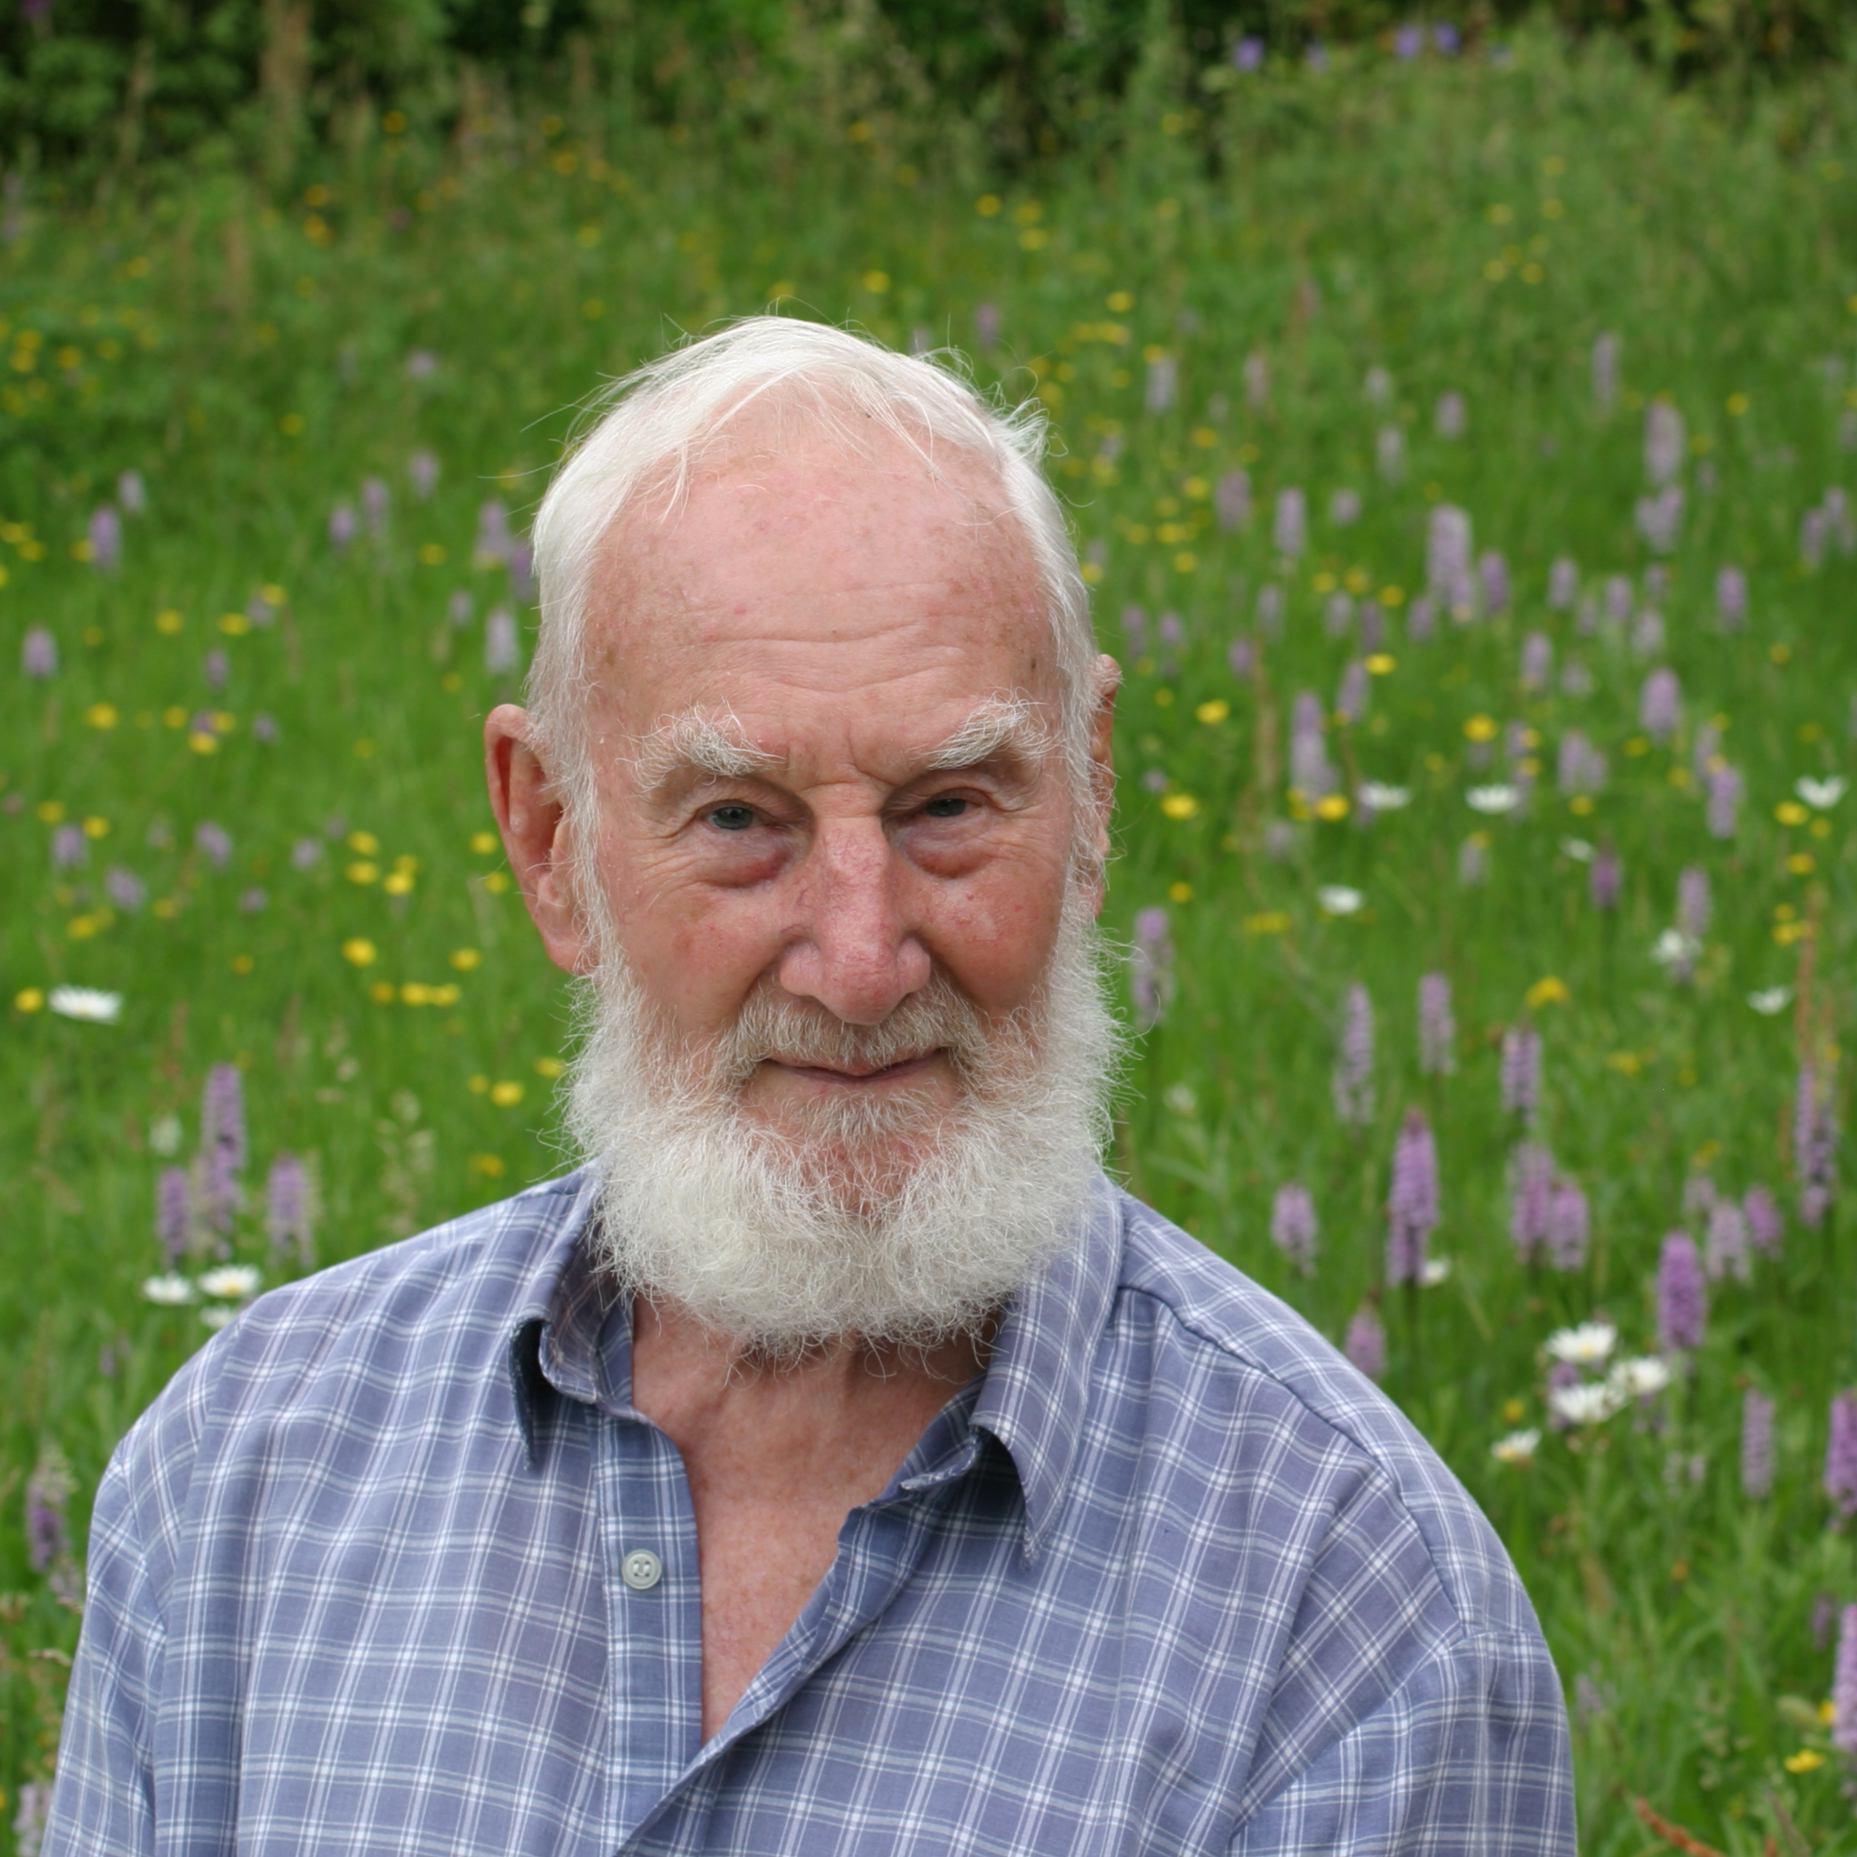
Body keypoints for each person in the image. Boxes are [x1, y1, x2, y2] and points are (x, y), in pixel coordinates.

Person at [47, 319, 1574, 1855]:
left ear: (1092, 793)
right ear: (548, 840)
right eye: (736, 818)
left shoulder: (1353, 1611)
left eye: (948, 805)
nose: (860, 961)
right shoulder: (237, 1479)